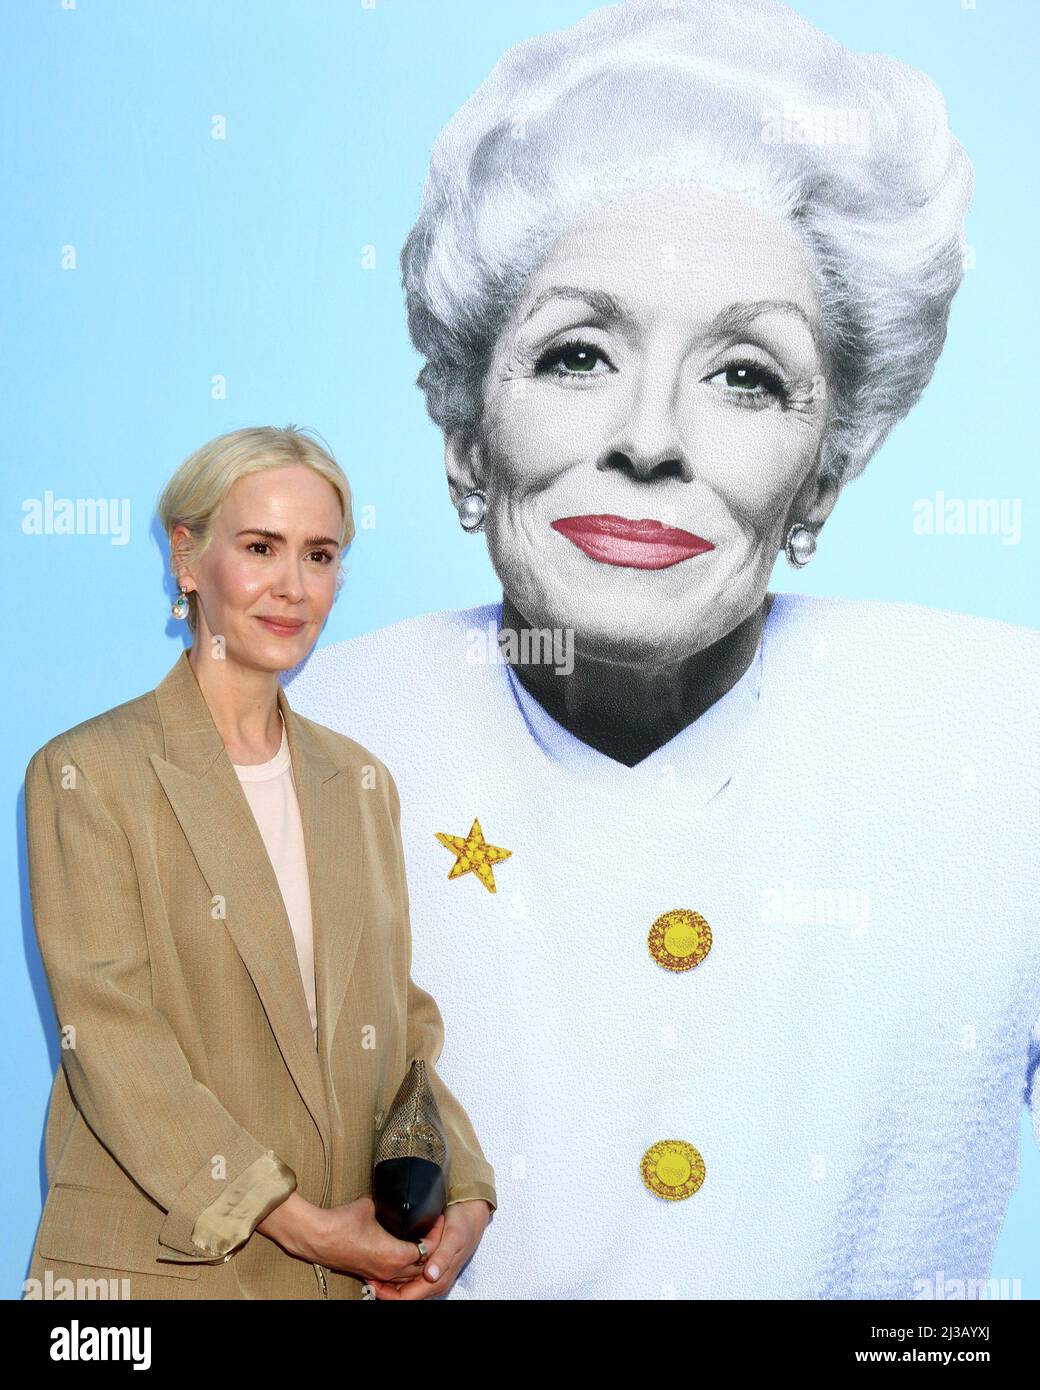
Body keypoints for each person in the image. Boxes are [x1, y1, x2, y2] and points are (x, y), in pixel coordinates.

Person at [286, 0, 1040, 1299]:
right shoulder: (293, 753)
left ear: (825, 476)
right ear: (466, 433)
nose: (650, 438)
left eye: (747, 376)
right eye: (577, 354)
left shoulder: (1001, 745)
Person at [24, 425, 495, 1301]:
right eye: (259, 548)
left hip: (336, 1278)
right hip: (158, 1275)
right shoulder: (89, 772)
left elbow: (398, 1023)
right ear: (188, 558)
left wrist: (460, 1186)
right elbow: (113, 1038)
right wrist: (305, 1223)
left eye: (319, 555)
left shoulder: (358, 782)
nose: (292, 587)